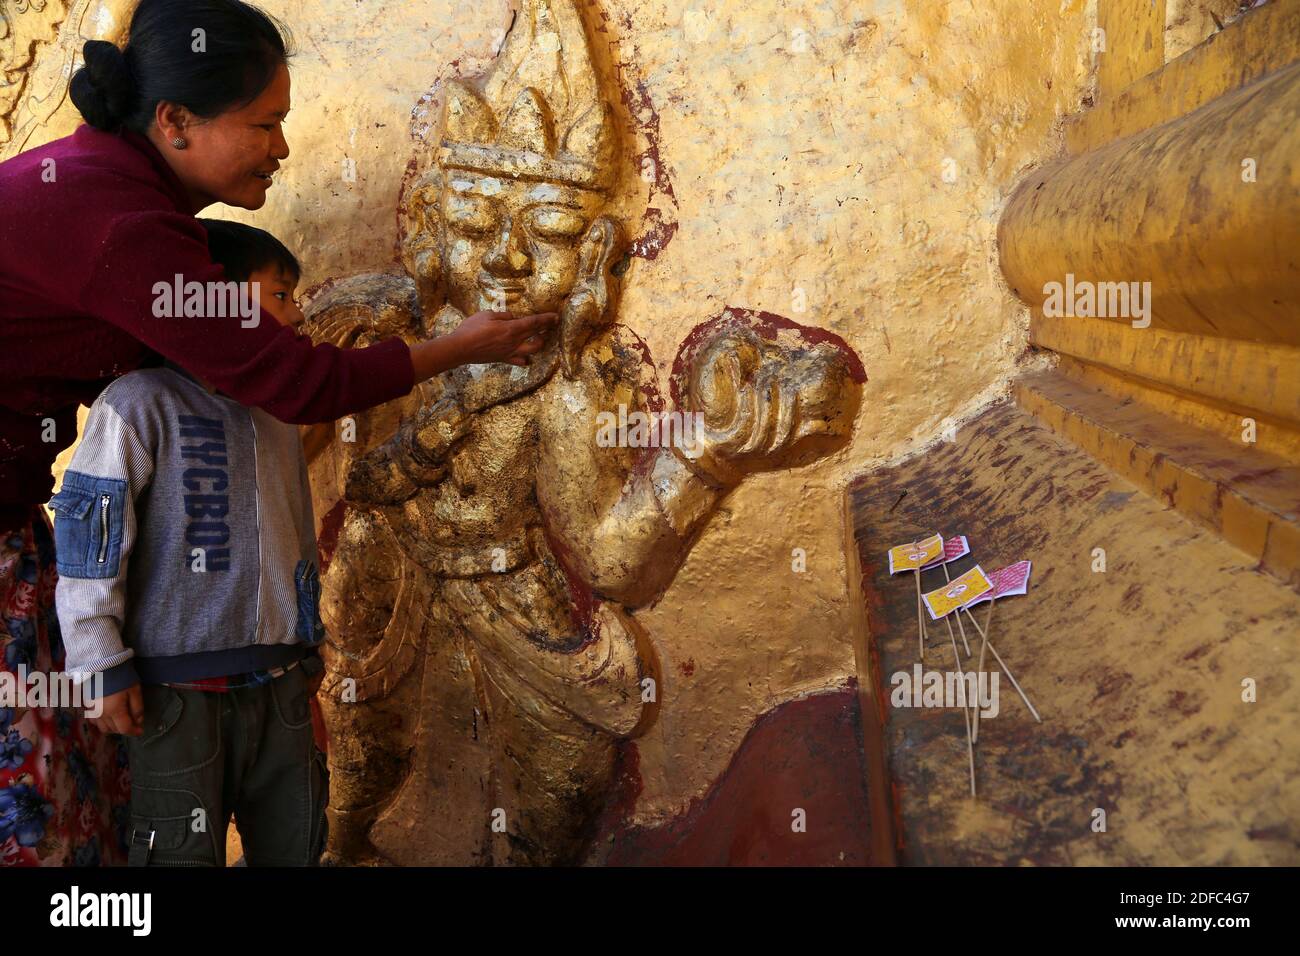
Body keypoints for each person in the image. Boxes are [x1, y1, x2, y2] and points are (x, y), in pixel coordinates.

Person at [0, 0, 553, 865]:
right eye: (264, 124)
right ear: (174, 122)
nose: (282, 148)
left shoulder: (114, 188)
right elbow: (299, 380)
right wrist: (461, 347)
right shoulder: (125, 231)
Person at [54, 218, 341, 866]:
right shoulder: (136, 404)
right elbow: (89, 540)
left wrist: (307, 658)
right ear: (214, 298)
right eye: (281, 293)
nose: (297, 314)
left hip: (280, 686)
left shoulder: (275, 416)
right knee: (177, 853)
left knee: (298, 842)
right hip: (173, 696)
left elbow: (294, 535)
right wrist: (99, 662)